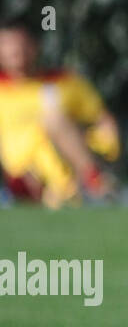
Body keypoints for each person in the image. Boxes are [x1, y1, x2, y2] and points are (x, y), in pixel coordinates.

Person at [0, 19, 119, 207]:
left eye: (21, 43)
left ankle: (92, 182)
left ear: (34, 45)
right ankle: (87, 189)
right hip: (24, 177)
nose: (16, 51)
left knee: (53, 118)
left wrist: (102, 148)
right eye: (8, 45)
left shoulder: (65, 82)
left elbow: (103, 121)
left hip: (72, 164)